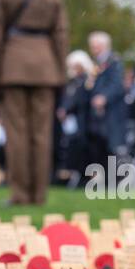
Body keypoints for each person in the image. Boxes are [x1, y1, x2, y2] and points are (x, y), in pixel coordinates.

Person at [0, 0, 69, 206]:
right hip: (46, 70)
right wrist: (60, 72)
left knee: (17, 134)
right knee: (42, 135)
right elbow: (62, 36)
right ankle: (39, 195)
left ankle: (20, 195)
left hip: (13, 69)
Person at [85, 31, 127, 167]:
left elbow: (117, 84)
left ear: (103, 45)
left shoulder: (114, 62)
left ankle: (116, 180)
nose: (92, 49)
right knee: (98, 145)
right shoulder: (96, 64)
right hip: (97, 114)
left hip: (111, 113)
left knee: (112, 146)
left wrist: (104, 97)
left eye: (95, 46)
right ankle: (102, 180)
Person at [56, 50, 94, 180]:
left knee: (81, 148)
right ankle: (70, 175)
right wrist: (63, 109)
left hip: (82, 121)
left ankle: (82, 176)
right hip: (70, 122)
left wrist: (67, 109)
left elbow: (81, 100)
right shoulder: (71, 82)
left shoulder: (86, 81)